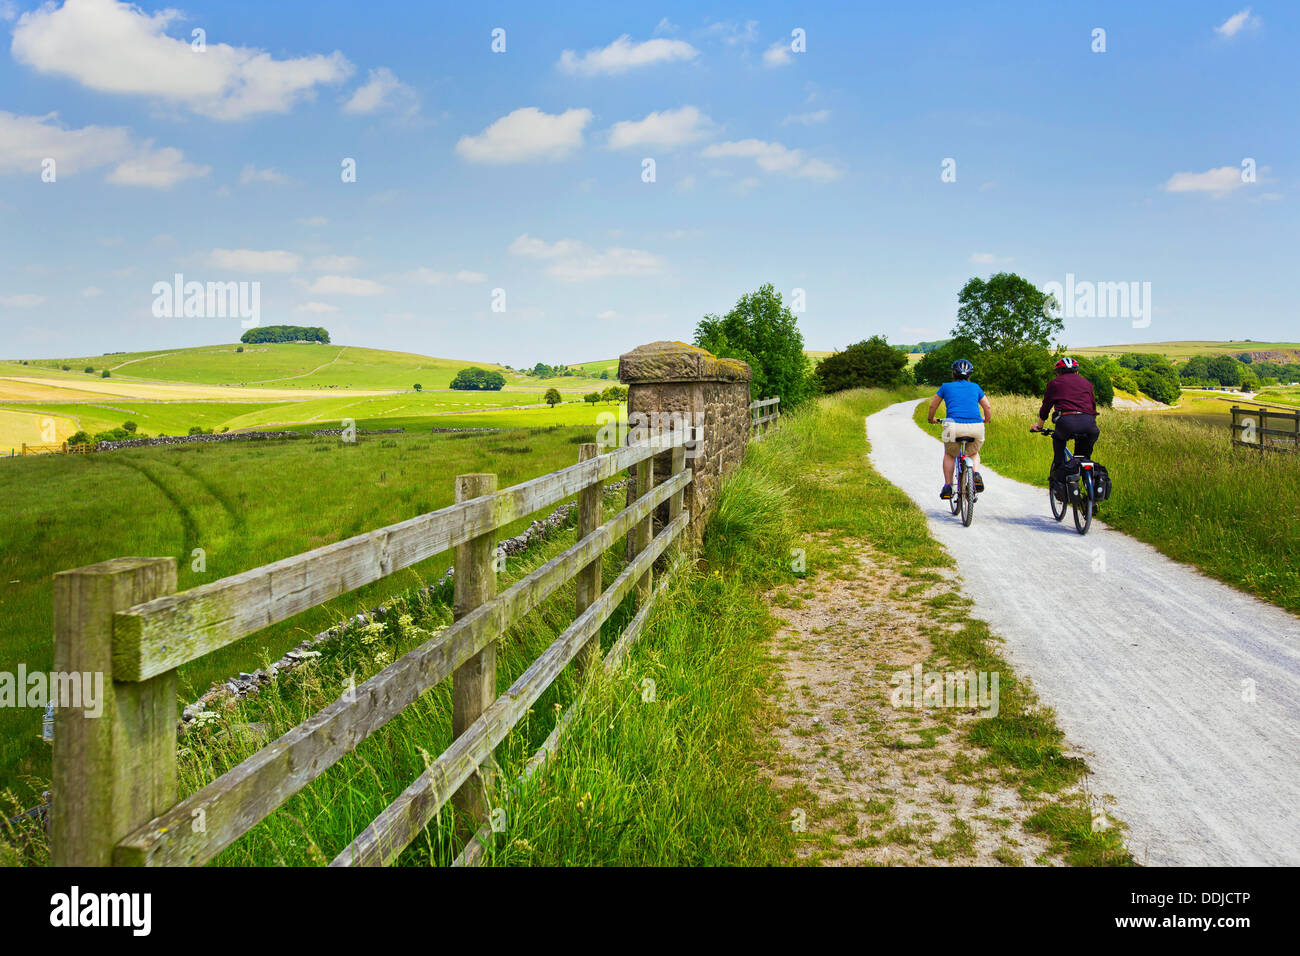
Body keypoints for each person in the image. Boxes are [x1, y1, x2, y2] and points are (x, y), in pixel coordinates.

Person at [1030, 357, 1099, 495]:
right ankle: (1089, 490)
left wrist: (1038, 426)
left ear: (1058, 372)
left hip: (1066, 423)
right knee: (1083, 458)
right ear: (1076, 372)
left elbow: (1046, 407)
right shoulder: (1086, 383)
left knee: (1059, 441)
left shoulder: (1054, 383)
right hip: (1089, 425)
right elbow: (1092, 405)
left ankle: (1060, 475)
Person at [927, 359, 992, 500]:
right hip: (976, 426)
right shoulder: (976, 387)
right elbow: (987, 407)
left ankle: (948, 486)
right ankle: (975, 474)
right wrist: (986, 419)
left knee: (950, 454)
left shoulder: (945, 387)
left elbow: (933, 406)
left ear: (953, 373)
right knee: (973, 453)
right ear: (970, 375)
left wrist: (931, 419)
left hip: (952, 425)